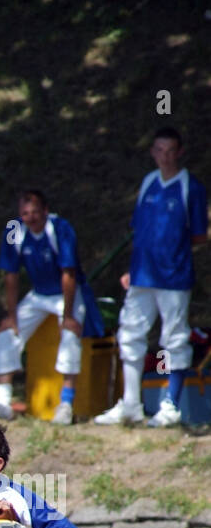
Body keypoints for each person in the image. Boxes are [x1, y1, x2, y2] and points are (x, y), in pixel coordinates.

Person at [94, 128, 208, 428]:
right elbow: (140, 230)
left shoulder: (190, 187)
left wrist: (171, 256)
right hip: (142, 275)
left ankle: (171, 405)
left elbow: (198, 235)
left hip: (173, 277)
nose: (165, 156)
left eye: (171, 150)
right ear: (153, 152)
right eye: (160, 150)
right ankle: (131, 403)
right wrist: (134, 268)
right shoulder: (148, 183)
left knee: (174, 338)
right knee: (129, 333)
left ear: (180, 152)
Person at [0, 189, 104, 426]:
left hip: (65, 291)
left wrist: (68, 315)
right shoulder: (13, 230)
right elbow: (11, 274)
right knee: (6, 334)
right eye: (25, 213)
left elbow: (69, 273)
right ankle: (2, 401)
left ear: (45, 211)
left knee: (70, 334)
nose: (31, 218)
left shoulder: (61, 229)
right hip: (38, 294)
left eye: (35, 212)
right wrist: (12, 315)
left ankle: (66, 404)